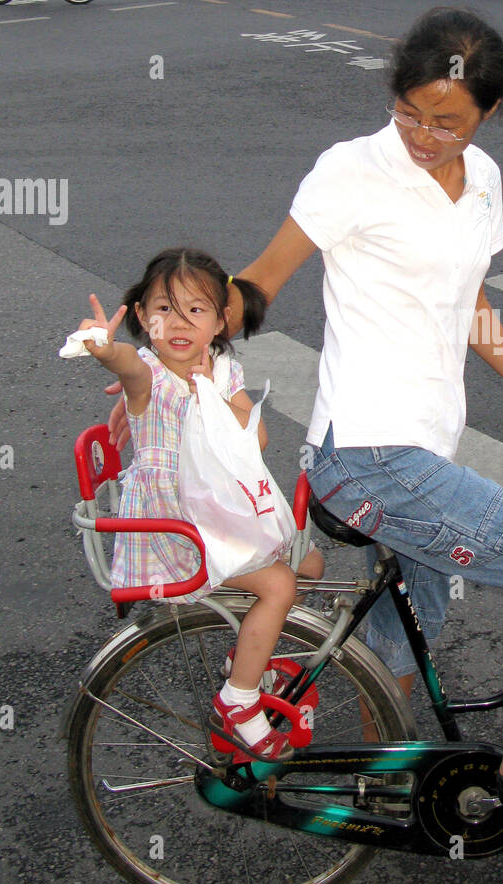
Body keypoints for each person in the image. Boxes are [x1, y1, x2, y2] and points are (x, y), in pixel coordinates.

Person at [220, 8, 503, 808]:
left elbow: (467, 300)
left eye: (448, 122)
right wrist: (170, 341)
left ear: (489, 113)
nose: (423, 133)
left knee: (409, 621)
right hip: (370, 454)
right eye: (409, 111)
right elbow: (261, 279)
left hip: (425, 450)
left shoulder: (483, 179)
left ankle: (381, 775)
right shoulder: (351, 169)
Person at [75, 247, 323, 760]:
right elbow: (127, 365)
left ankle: (247, 656)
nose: (179, 322)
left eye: (196, 309)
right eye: (163, 309)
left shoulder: (221, 370)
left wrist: (212, 389)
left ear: (218, 323)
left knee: (311, 562)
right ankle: (240, 698)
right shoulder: (149, 376)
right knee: (279, 583)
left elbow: (255, 440)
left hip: (215, 509)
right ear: (142, 318)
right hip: (173, 525)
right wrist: (105, 348)